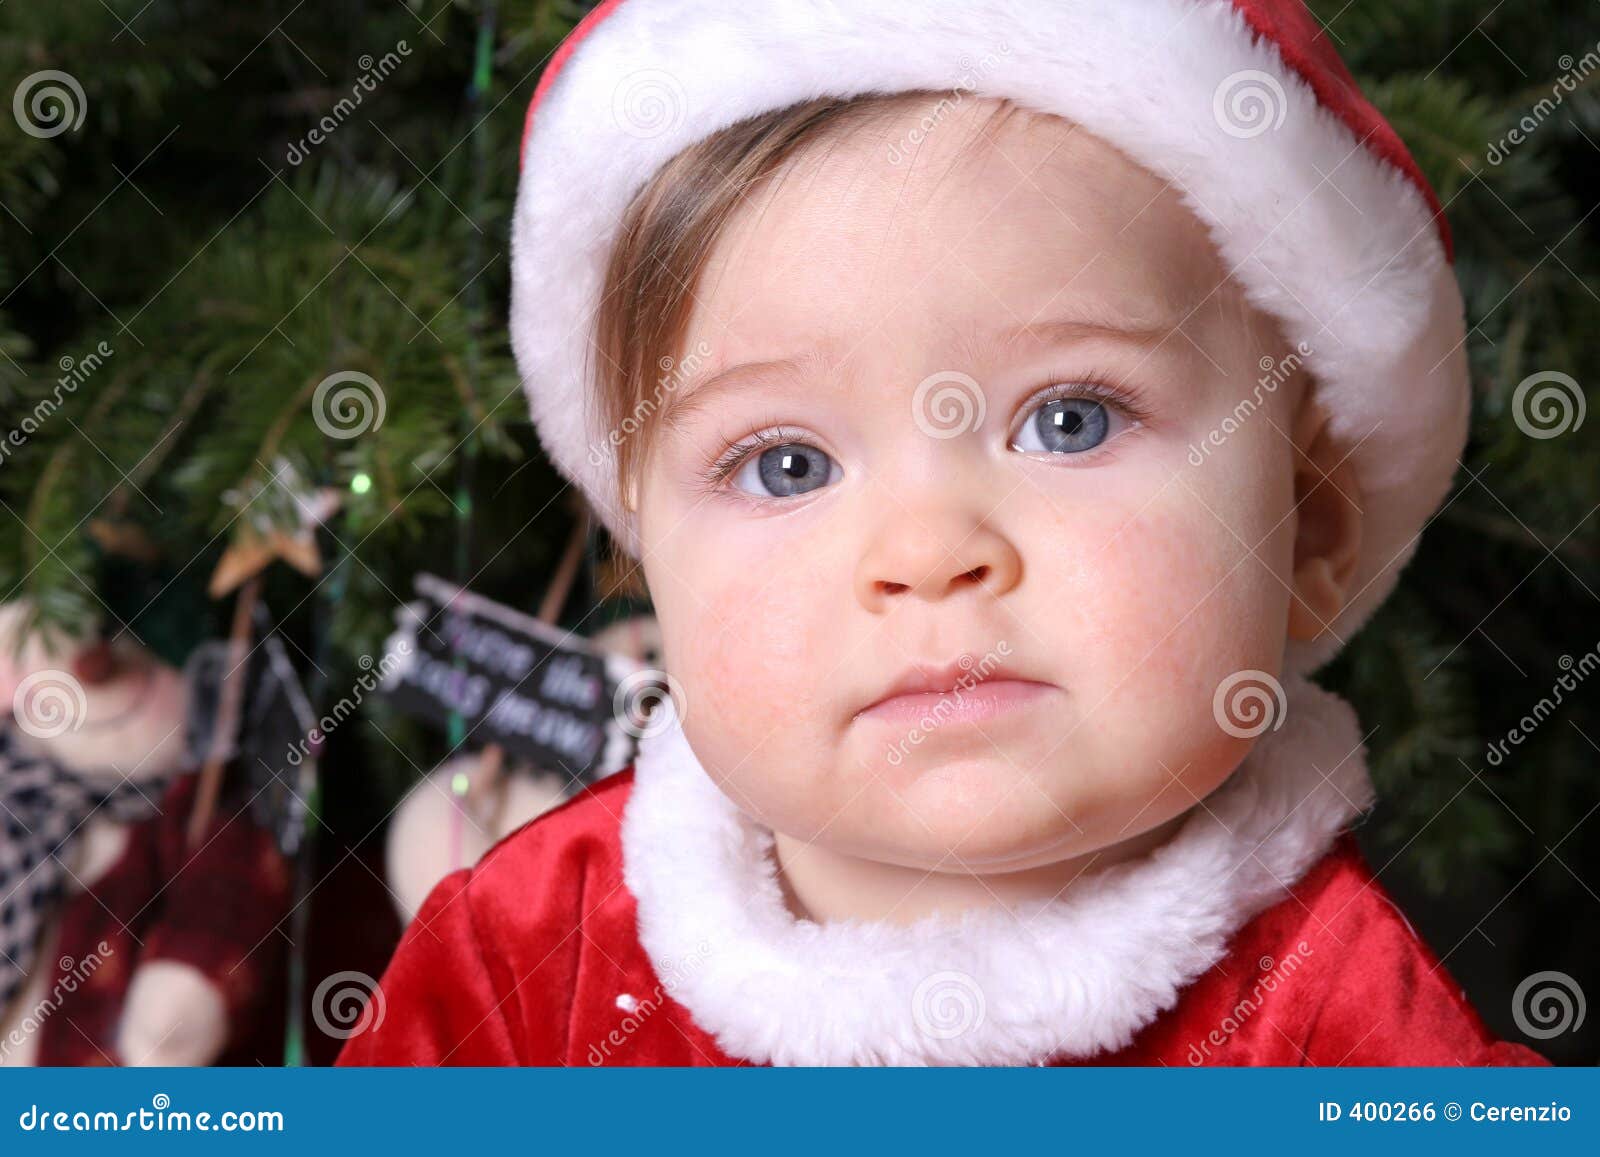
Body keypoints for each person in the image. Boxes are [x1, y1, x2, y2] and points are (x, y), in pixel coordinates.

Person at [338, 0, 1549, 1067]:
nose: (924, 551)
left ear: (1311, 525)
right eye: (785, 463)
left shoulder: (1335, 1032)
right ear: (649, 556)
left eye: (1069, 420)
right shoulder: (522, 965)